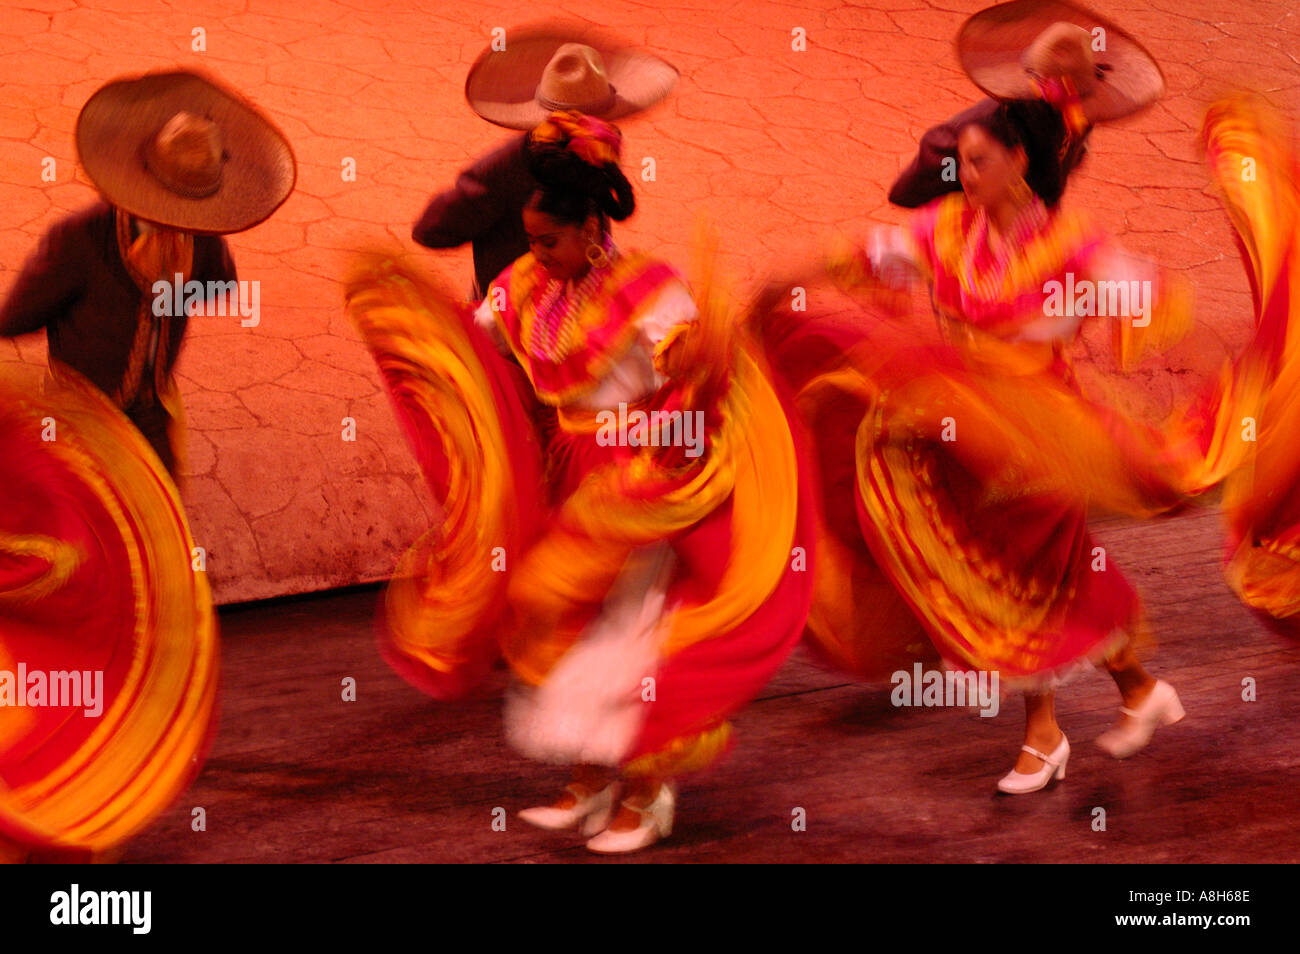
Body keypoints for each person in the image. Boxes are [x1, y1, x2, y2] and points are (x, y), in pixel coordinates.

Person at [349, 110, 814, 852]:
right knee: (555, 621)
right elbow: (479, 347)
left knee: (628, 635)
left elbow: (696, 387)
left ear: (593, 227)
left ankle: (647, 788)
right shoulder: (525, 284)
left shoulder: (650, 290)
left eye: (549, 241)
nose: (537, 254)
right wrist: (419, 342)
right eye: (531, 241)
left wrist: (664, 441)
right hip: (569, 474)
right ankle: (593, 776)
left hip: (636, 484)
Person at [0, 69, 295, 476]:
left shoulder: (202, 241)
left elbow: (220, 282)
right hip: (84, 414)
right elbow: (18, 315)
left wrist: (169, 294)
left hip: (152, 407)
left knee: (158, 512)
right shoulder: (80, 239)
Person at [413, 25, 677, 299]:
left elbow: (432, 230)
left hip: (579, 310)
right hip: (510, 321)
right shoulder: (511, 170)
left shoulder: (596, 155)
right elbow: (431, 230)